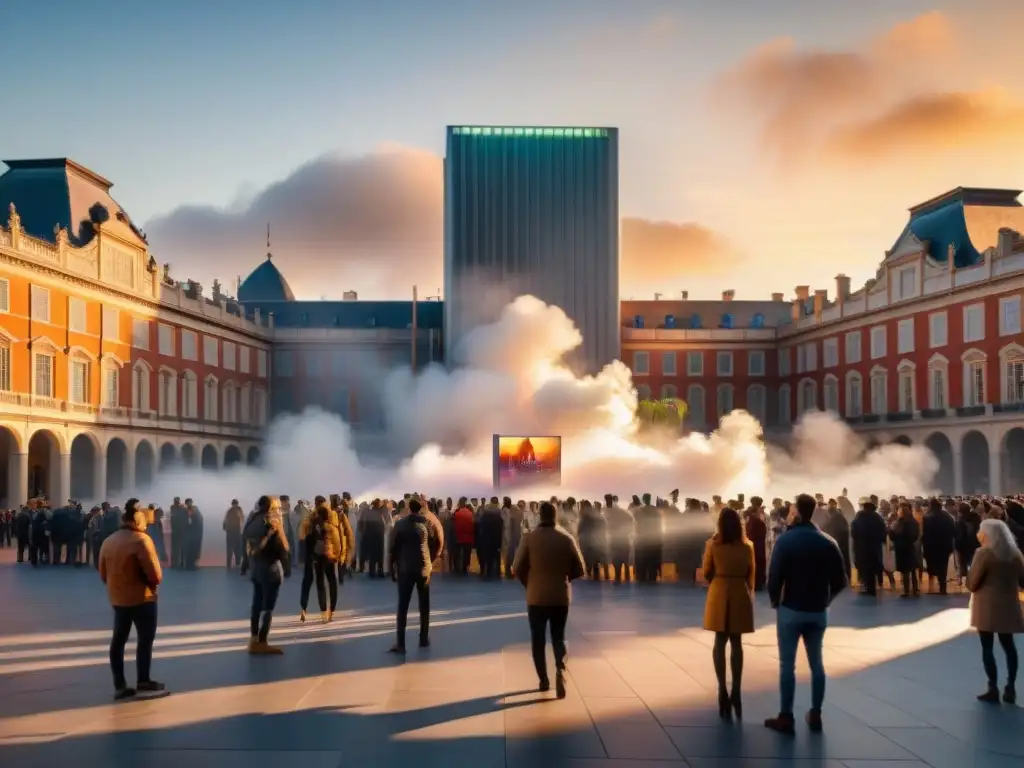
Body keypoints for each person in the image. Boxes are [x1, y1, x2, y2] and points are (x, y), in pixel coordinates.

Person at [764, 494, 847, 735]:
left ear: (798, 512)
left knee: (787, 665)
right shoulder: (828, 542)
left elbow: (774, 577)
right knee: (817, 664)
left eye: (791, 510)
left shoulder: (786, 541)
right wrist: (827, 600)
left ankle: (786, 716)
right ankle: (816, 713)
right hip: (818, 611)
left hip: (791, 609)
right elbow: (840, 580)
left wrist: (774, 601)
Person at [512, 500, 586, 699]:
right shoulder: (566, 538)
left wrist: (529, 582)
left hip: (535, 596)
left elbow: (517, 566)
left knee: (537, 639)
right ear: (555, 516)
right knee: (558, 636)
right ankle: (560, 670)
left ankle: (543, 680)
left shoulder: (530, 538)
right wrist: (565, 578)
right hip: (560, 596)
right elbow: (580, 568)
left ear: (539, 516)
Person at [98, 498, 164, 700]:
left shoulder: (109, 541)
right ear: (138, 520)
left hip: (118, 598)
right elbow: (155, 575)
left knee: (118, 640)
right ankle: (143, 679)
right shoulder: (142, 540)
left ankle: (119, 684)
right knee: (145, 639)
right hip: (143, 598)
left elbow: (103, 573)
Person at [702, 506, 755, 720]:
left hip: (719, 591)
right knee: (737, 643)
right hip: (739, 592)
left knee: (719, 641)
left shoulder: (713, 545)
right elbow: (751, 573)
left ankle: (722, 688)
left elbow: (707, 572)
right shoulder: (747, 547)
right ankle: (737, 691)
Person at [966, 518, 1024, 704]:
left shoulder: (984, 553)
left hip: (987, 606)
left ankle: (992, 687)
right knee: (1009, 647)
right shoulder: (1015, 554)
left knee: (987, 647)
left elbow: (973, 582)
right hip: (1009, 605)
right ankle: (1011, 687)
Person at [388, 498, 443, 654]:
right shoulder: (427, 524)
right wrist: (430, 560)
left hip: (405, 569)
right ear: (421, 509)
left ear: (408, 508)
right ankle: (424, 638)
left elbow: (393, 549)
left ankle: (401, 643)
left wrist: (392, 569)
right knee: (424, 605)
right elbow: (436, 543)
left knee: (403, 606)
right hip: (424, 569)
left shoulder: (400, 524)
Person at [241, 496, 291, 654]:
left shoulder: (251, 520)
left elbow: (245, 544)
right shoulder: (271, 523)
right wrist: (286, 563)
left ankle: (253, 638)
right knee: (268, 607)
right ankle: (262, 641)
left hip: (255, 569)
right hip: (271, 570)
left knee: (256, 604)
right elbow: (281, 548)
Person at [299, 496, 342, 623]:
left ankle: (307, 608)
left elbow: (301, 536)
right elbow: (338, 543)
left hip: (313, 556)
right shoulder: (331, 523)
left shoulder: (309, 521)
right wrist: (338, 556)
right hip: (329, 556)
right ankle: (331, 611)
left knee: (316, 583)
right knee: (332, 582)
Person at [851, 501, 887, 596]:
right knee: (873, 567)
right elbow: (883, 532)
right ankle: (872, 588)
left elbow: (854, 531)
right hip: (874, 547)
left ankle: (867, 588)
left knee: (864, 568)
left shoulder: (860, 516)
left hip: (862, 547)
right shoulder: (877, 517)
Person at [921, 497, 956, 594]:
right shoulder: (947, 516)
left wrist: (924, 545)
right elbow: (954, 530)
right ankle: (942, 587)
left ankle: (932, 587)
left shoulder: (927, 517)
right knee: (943, 567)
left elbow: (924, 533)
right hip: (945, 546)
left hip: (931, 546)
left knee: (932, 566)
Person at [890, 502, 921, 597]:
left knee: (905, 571)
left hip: (901, 549)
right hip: (910, 548)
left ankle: (906, 590)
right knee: (913, 570)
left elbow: (892, 535)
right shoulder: (914, 522)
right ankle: (915, 589)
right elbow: (916, 535)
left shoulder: (898, 523)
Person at [223, 499, 245, 569]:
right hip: (236, 533)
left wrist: (226, 529)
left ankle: (230, 566)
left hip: (232, 533)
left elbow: (224, 523)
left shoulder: (230, 511)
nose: (234, 505)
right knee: (237, 550)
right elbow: (242, 520)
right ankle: (236, 565)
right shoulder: (238, 511)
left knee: (232, 551)